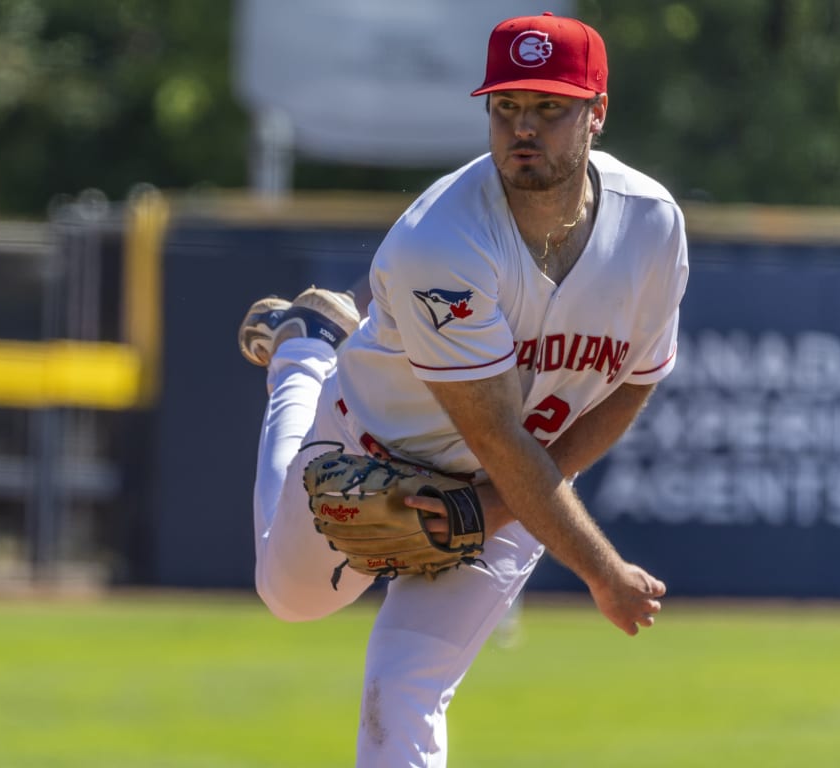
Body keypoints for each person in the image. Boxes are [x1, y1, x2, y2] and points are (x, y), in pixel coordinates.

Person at [239, 12, 688, 766]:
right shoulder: (441, 241)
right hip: (372, 447)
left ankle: (312, 355)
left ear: (597, 113)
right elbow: (495, 435)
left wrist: (496, 508)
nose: (524, 127)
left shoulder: (652, 225)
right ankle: (306, 358)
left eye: (550, 107)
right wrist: (602, 572)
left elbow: (633, 386)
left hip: (514, 485)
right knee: (291, 600)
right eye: (507, 105)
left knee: (402, 689)